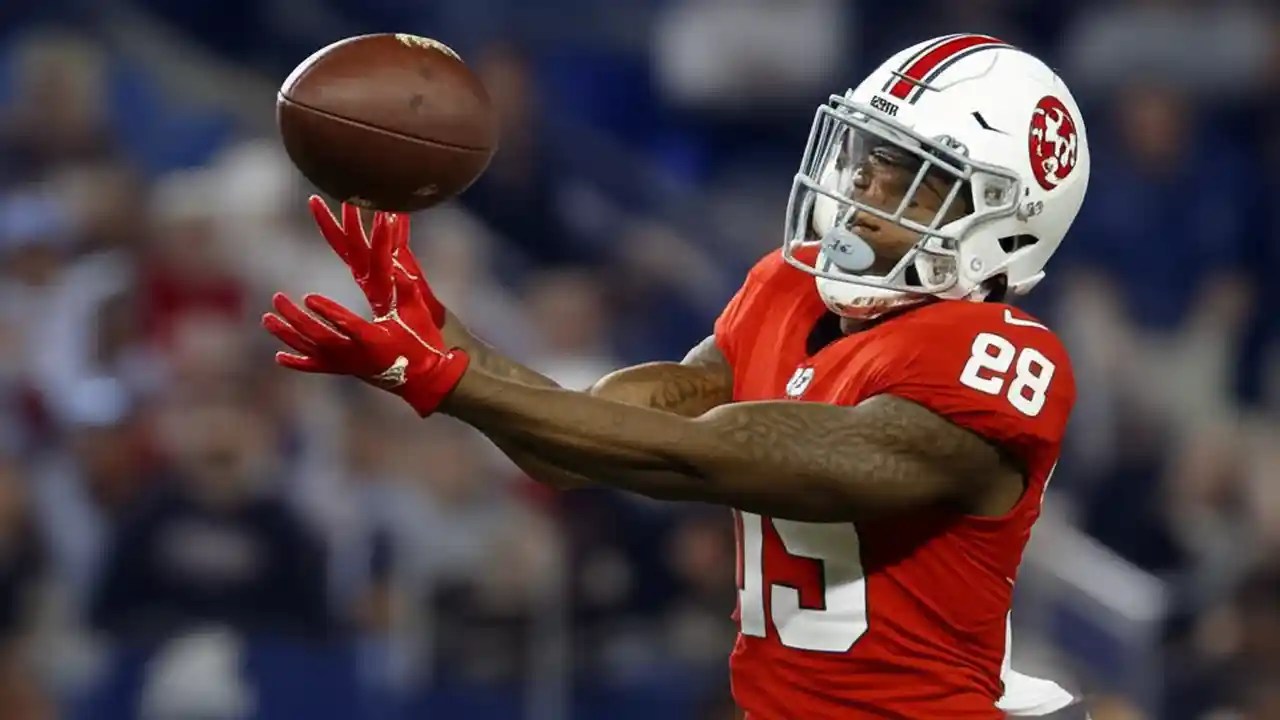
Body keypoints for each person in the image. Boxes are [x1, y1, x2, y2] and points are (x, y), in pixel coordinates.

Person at [263, 34, 1089, 720]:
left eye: (911, 174)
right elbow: (580, 441)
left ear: (1007, 224)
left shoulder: (1002, 357)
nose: (866, 185)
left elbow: (714, 456)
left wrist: (448, 382)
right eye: (869, 155)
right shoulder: (787, 287)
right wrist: (448, 339)